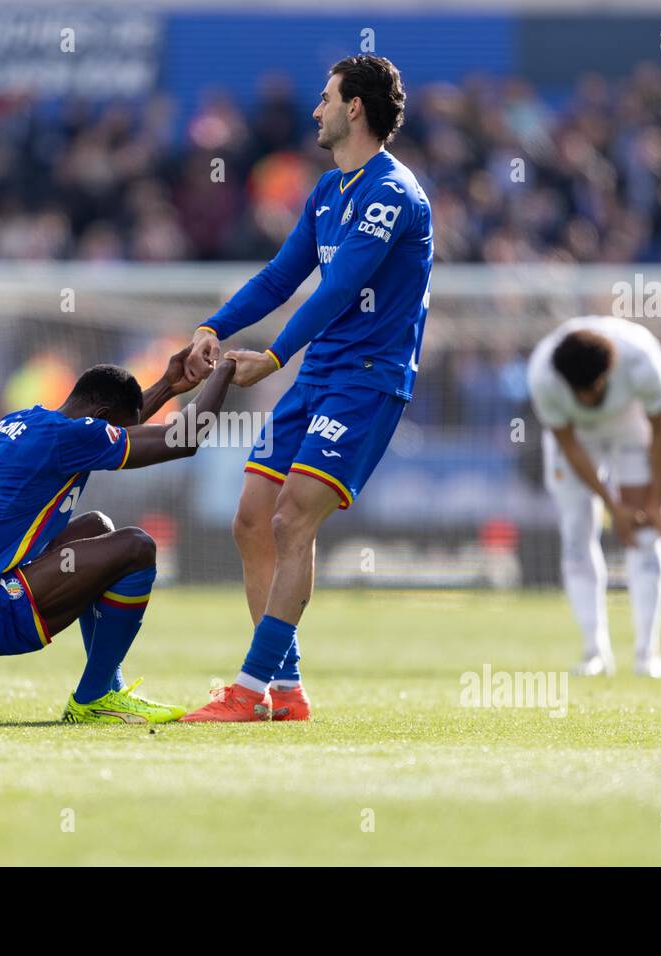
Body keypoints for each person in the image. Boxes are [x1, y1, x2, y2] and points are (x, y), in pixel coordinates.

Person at [181, 55, 433, 721]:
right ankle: (286, 693)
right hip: (319, 375)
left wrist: (274, 353)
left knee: (293, 520)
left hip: (367, 380)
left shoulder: (394, 193)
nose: (314, 110)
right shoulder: (328, 191)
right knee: (250, 521)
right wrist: (213, 325)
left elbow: (342, 285)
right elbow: (279, 276)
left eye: (325, 99)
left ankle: (249, 690)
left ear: (355, 108)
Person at [0, 347, 235, 723]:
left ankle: (106, 689)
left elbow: (110, 425)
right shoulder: (69, 440)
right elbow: (185, 440)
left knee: (96, 527)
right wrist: (225, 369)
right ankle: (96, 696)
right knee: (138, 548)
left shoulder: (28, 422)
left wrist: (167, 386)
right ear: (99, 419)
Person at [526, 316, 661, 678]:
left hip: (629, 422)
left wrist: (658, 502)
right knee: (577, 532)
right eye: (577, 392)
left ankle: (647, 653)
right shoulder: (543, 377)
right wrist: (612, 507)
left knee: (644, 530)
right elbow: (569, 444)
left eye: (592, 389)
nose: (586, 399)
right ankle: (595, 652)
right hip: (578, 438)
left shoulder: (642, 360)